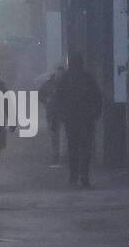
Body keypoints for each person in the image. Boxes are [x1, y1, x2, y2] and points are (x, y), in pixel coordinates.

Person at [57, 52, 103, 187]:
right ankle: (84, 175)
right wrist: (96, 112)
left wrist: (61, 115)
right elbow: (97, 96)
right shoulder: (87, 78)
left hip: (71, 119)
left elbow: (58, 98)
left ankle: (74, 175)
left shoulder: (65, 79)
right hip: (86, 118)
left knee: (73, 148)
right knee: (85, 148)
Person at [41, 65, 66, 164]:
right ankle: (56, 155)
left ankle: (60, 155)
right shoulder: (49, 84)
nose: (60, 74)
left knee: (61, 135)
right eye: (59, 72)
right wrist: (46, 102)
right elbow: (40, 95)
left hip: (61, 113)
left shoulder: (65, 83)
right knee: (55, 136)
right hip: (54, 113)